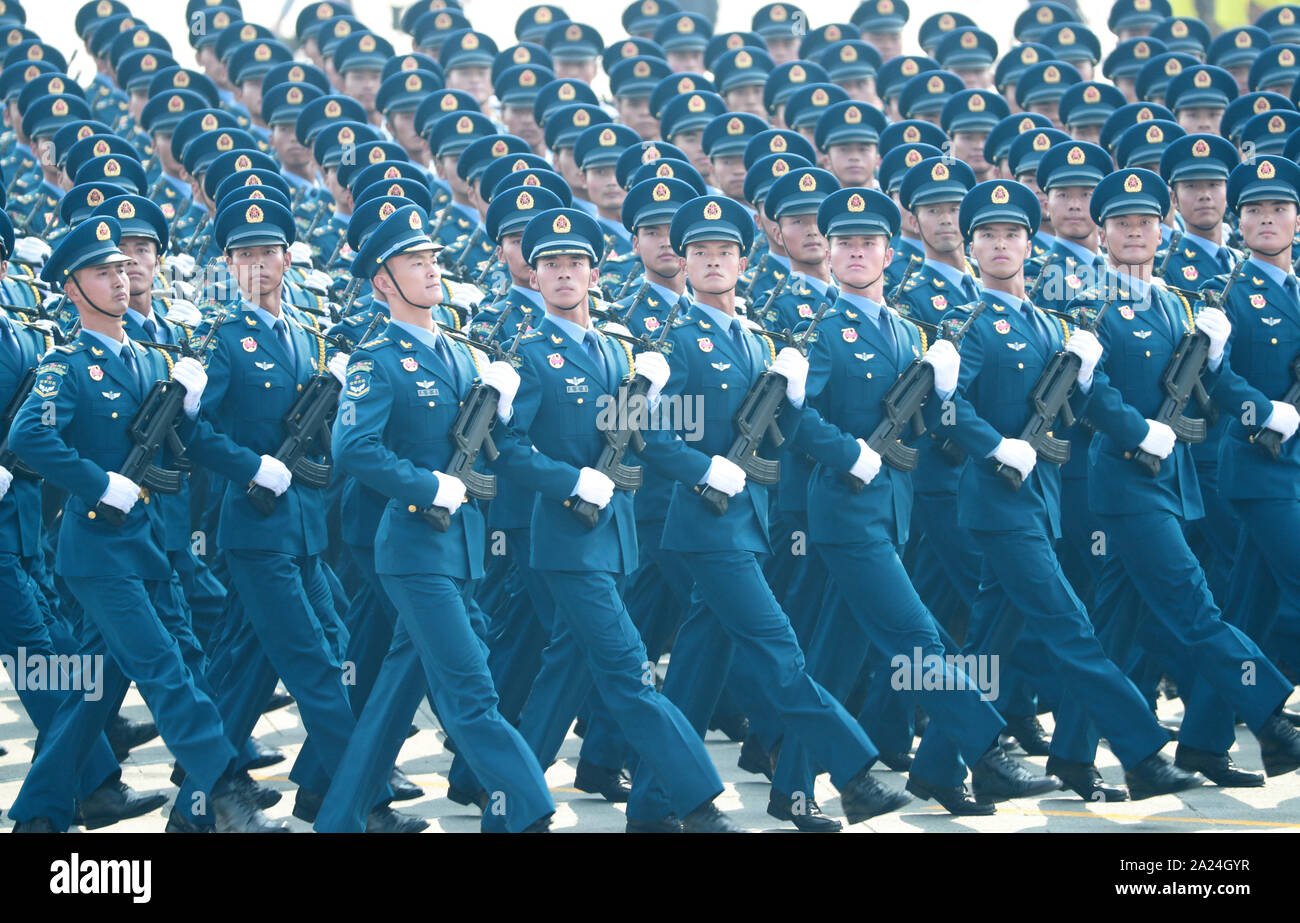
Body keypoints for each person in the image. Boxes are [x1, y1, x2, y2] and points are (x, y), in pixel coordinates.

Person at [626, 194, 914, 829]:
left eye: (723, 252)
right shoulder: (676, 339)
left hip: (748, 521)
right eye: (698, 252)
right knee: (779, 651)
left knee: (696, 672)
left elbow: (782, 430)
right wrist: (704, 468)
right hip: (707, 525)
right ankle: (854, 774)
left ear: (743, 260)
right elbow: (644, 432)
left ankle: (652, 803)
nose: (710, 262)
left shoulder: (755, 338)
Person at [5, 217, 281, 832]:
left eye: (121, 268)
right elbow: (29, 434)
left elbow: (192, 437)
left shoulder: (154, 359)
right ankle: (224, 792)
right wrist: (98, 482)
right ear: (72, 290)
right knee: (165, 667)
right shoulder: (68, 364)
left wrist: (255, 467)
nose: (121, 278)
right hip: (98, 552)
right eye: (101, 272)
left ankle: (39, 815)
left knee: (94, 690)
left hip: (149, 546)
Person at [318, 203, 555, 833]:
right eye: (412, 262)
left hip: (462, 545)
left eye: (430, 259)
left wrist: (505, 407)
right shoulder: (377, 358)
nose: (429, 270)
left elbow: (493, 448)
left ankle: (341, 816)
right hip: (415, 547)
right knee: (471, 689)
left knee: (399, 689)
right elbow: (353, 449)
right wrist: (428, 487)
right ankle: (527, 811)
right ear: (382, 283)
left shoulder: (462, 352)